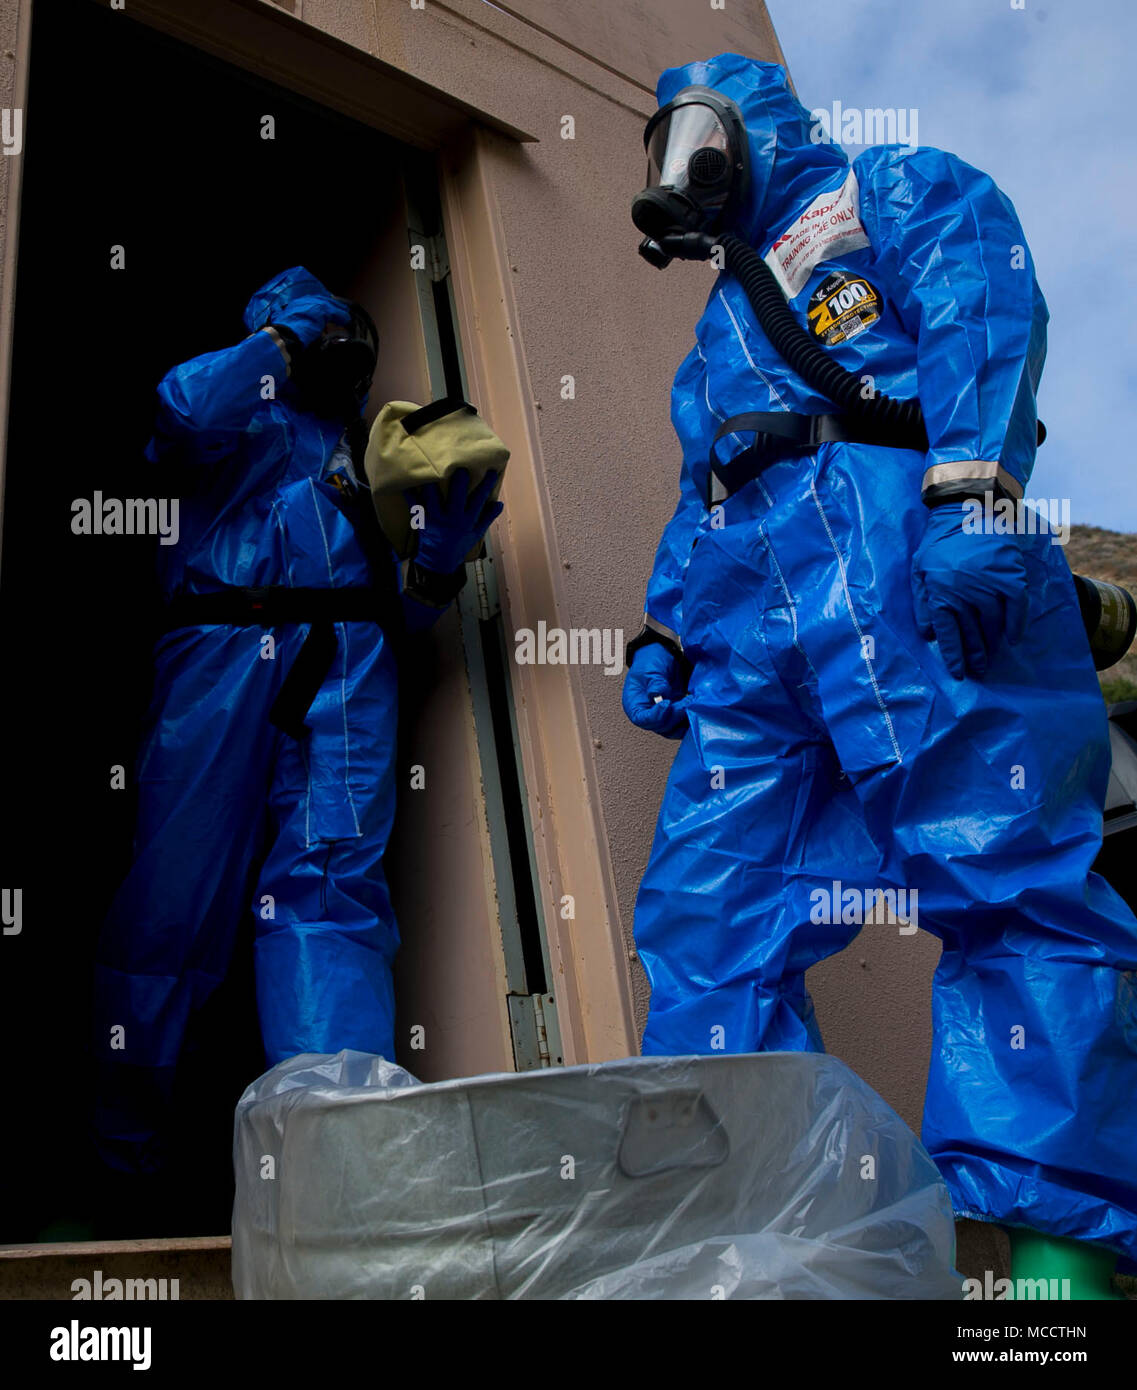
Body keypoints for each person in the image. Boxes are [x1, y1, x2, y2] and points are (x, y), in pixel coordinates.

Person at [623, 54, 1137, 1295]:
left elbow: (982, 310)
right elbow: (709, 490)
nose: (673, 162)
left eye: (688, 132)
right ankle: (740, 1245)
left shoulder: (890, 187)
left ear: (742, 129)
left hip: (908, 563)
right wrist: (668, 631)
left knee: (1006, 878)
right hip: (755, 636)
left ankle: (1058, 1274)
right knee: (709, 918)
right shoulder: (714, 334)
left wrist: (973, 488)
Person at [94, 266, 502, 1177]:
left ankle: (337, 1162)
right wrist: (283, 343)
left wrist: (436, 564)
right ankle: (128, 1158)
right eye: (328, 339)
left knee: (330, 896)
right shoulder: (230, 421)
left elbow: (401, 610)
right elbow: (184, 411)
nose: (345, 359)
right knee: (171, 904)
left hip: (352, 667)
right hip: (218, 654)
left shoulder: (362, 455)